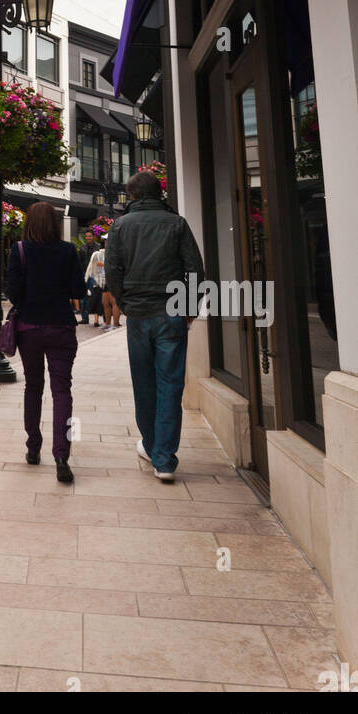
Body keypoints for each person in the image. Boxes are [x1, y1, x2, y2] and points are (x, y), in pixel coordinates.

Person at [105, 170, 204, 482]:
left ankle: (152, 446)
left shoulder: (120, 226)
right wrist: (189, 308)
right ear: (159, 193)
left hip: (138, 315)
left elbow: (113, 273)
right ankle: (163, 457)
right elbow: (194, 270)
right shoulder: (177, 224)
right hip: (171, 312)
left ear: (133, 196)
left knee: (144, 383)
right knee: (170, 385)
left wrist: (128, 304)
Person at [5, 201, 85, 484]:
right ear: (55, 224)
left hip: (29, 328)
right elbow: (79, 289)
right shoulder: (67, 250)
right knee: (62, 390)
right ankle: (62, 455)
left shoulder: (20, 250)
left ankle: (33, 447)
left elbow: (12, 292)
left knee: (33, 387)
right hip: (61, 328)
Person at [84, 243, 107, 328]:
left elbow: (90, 266)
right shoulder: (97, 254)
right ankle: (98, 321)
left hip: (100, 280)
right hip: (98, 281)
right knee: (99, 300)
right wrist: (87, 278)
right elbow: (91, 266)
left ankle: (102, 321)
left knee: (102, 301)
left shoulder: (108, 254)